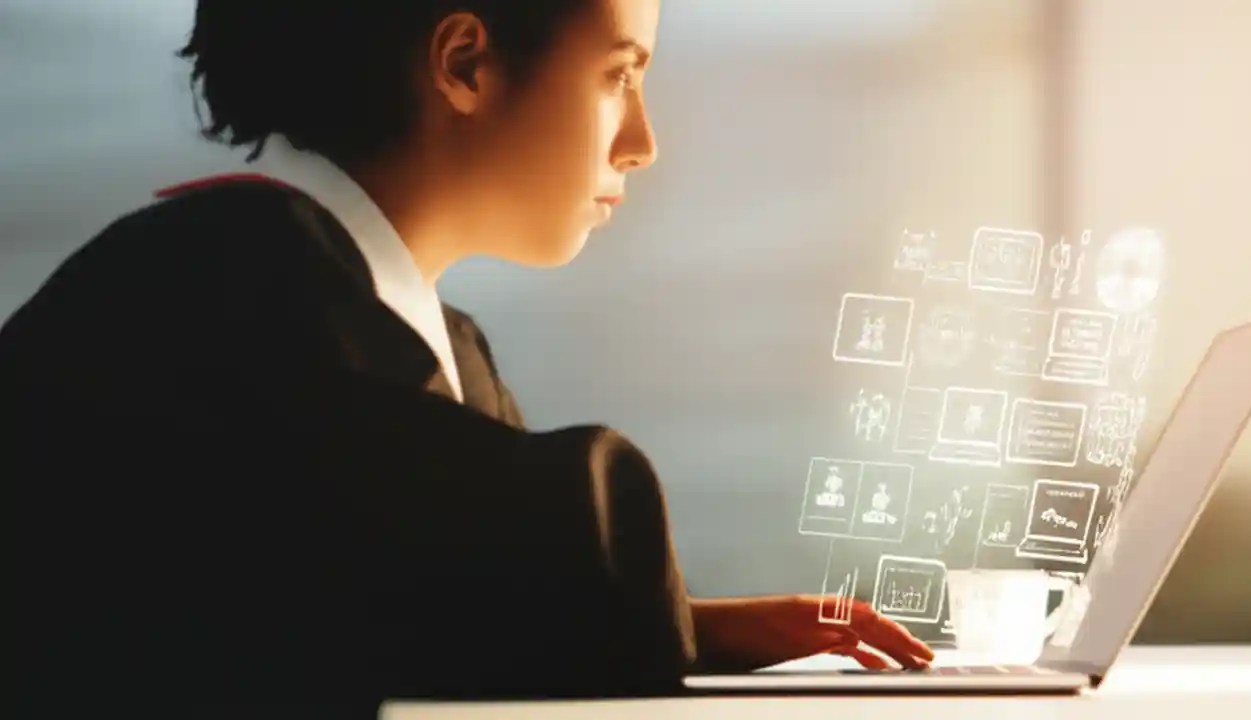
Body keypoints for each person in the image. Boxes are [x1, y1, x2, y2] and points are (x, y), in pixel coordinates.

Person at [3, 0, 933, 714]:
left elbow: (454, 603)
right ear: (465, 64)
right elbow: (557, 563)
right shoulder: (233, 296)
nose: (642, 143)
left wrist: (701, 631)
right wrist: (667, 621)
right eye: (619, 75)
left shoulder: (364, 311)